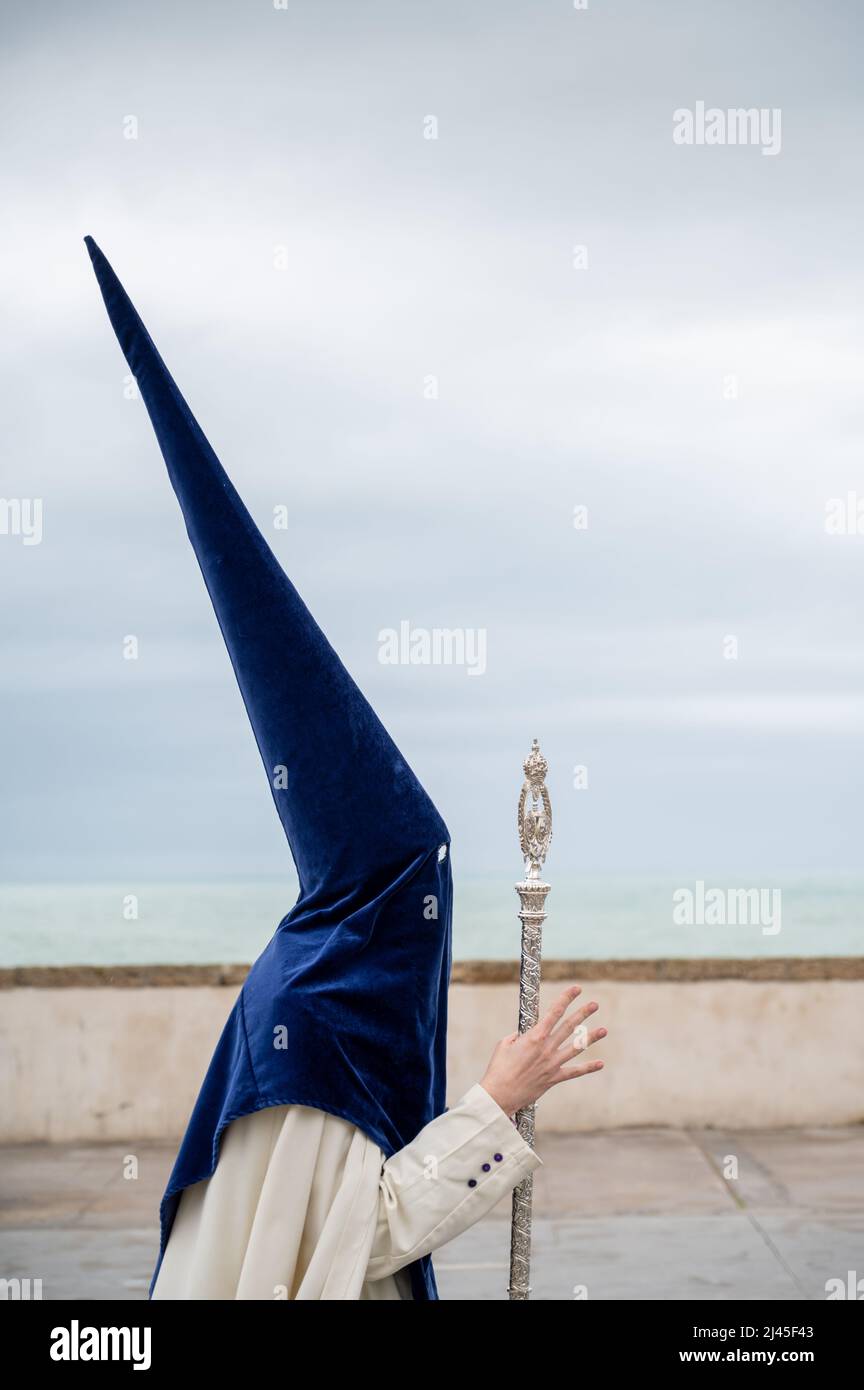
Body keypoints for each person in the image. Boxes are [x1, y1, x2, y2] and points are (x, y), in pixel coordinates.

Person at [85, 237, 607, 1300]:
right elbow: (345, 1246)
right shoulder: (318, 1020)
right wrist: (496, 1105)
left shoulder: (319, 962)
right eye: (425, 880)